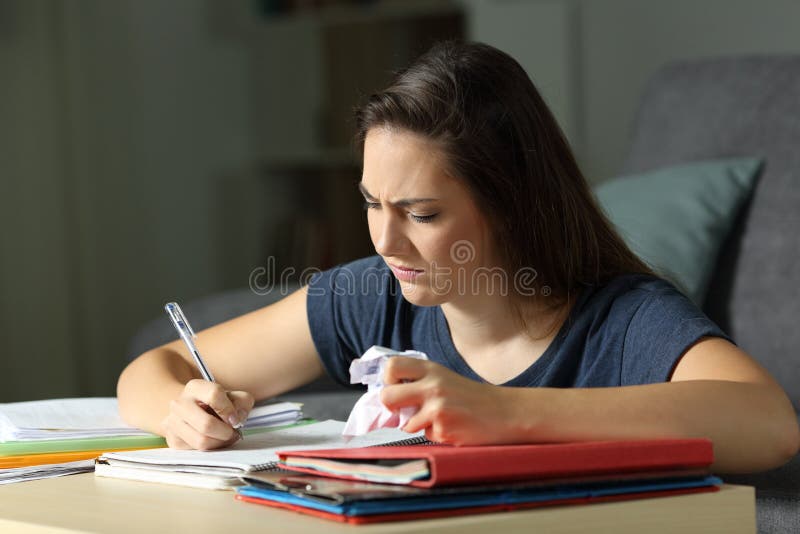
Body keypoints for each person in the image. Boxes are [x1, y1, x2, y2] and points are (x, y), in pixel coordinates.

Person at [117, 41, 799, 473]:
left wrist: (503, 414)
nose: (384, 243)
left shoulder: (619, 317)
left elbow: (770, 428)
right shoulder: (374, 295)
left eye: (421, 214)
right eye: (371, 204)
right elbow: (155, 368)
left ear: (511, 203)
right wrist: (180, 408)